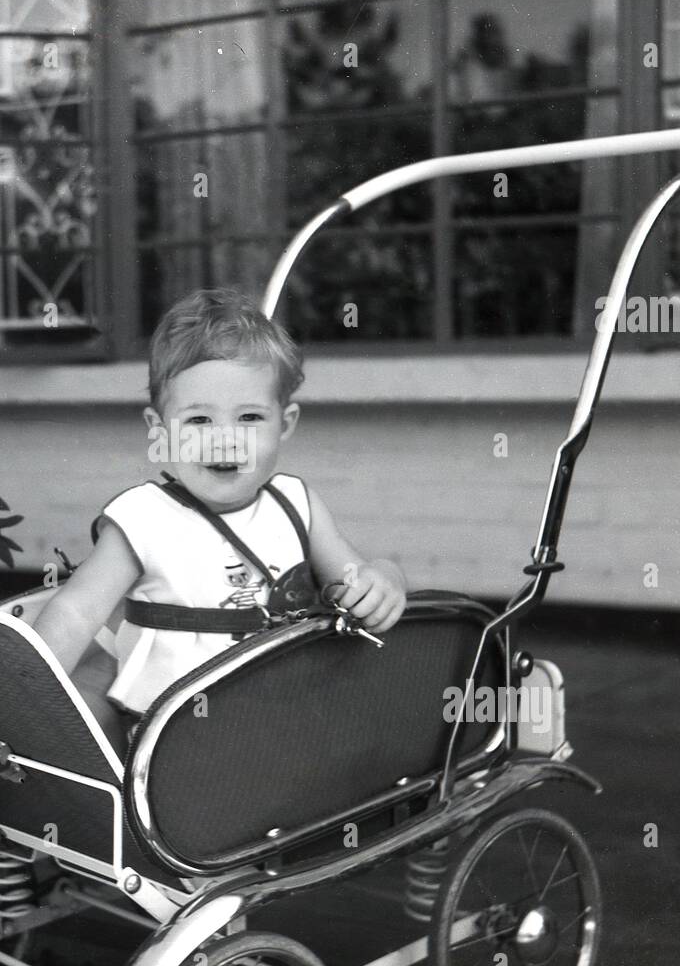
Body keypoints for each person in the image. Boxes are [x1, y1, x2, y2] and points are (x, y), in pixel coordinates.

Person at [33, 288, 406, 736]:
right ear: (160, 429)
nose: (225, 439)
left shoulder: (295, 503)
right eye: (199, 421)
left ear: (284, 424)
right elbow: (77, 612)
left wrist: (385, 578)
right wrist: (26, 692)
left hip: (286, 706)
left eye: (249, 417)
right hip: (173, 725)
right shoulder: (143, 518)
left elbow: (353, 576)